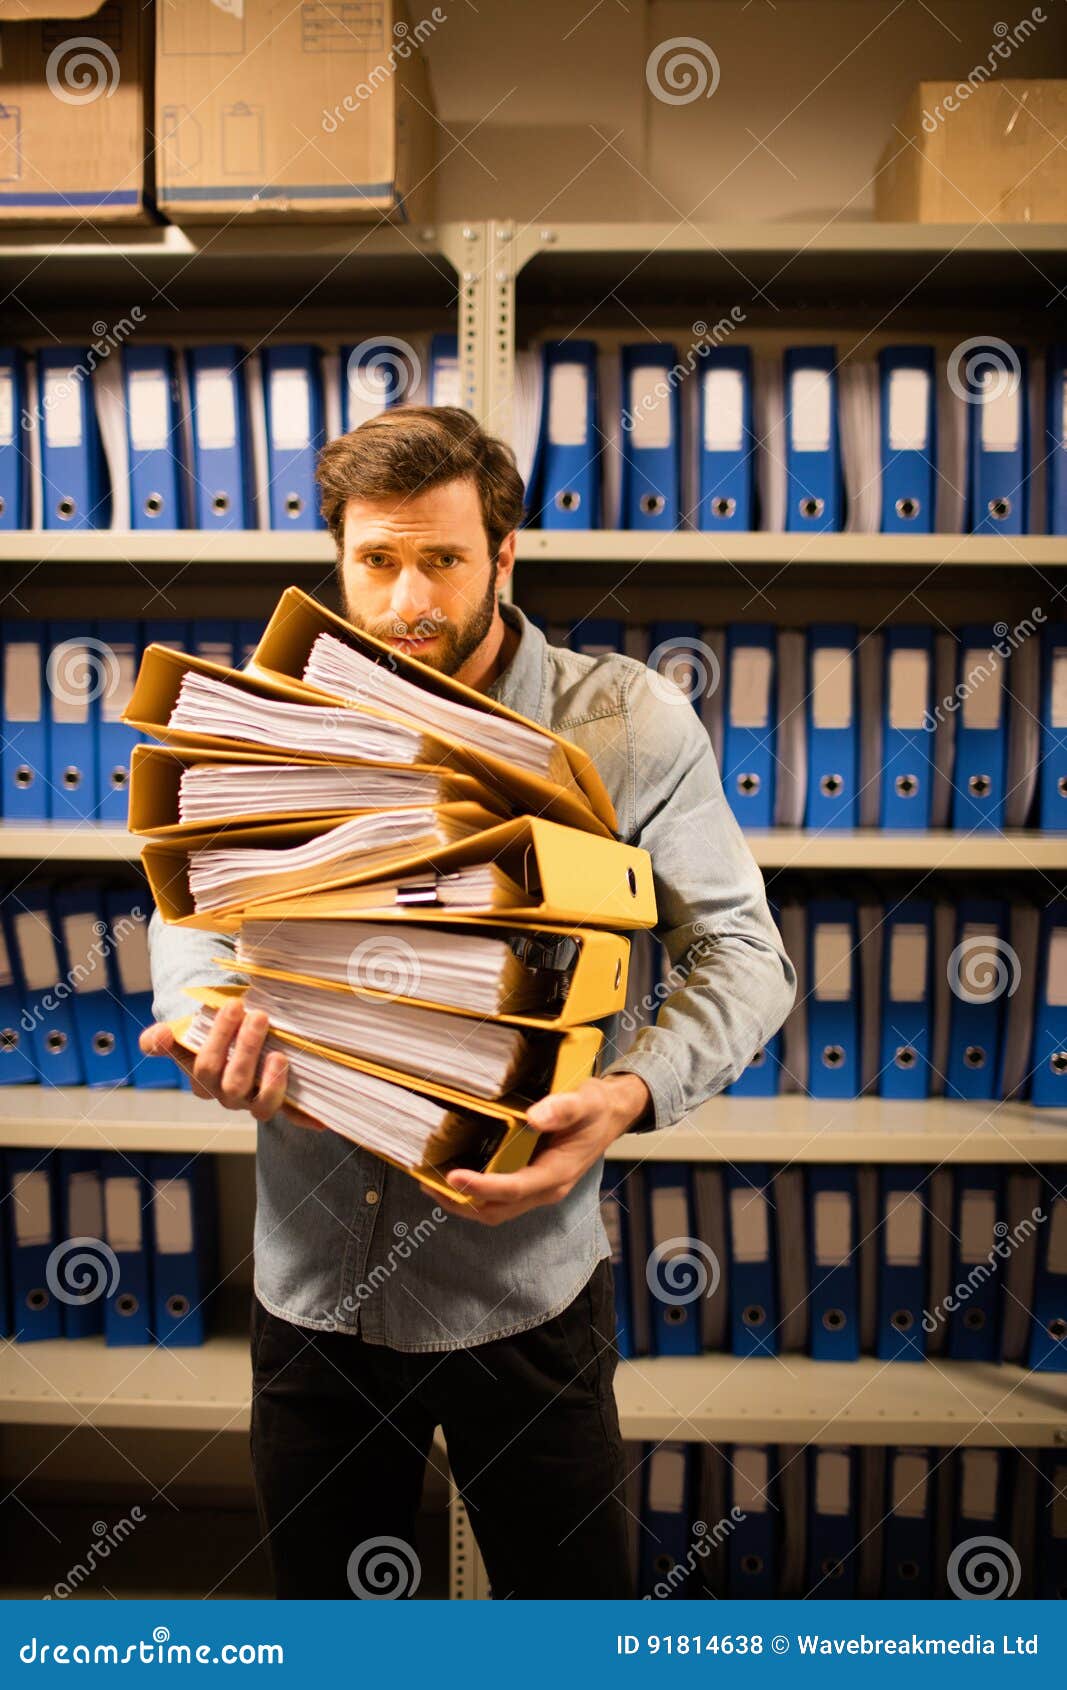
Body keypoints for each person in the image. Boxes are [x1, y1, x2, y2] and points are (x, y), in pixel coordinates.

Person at [141, 405, 796, 1600]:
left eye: (442, 559)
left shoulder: (627, 723)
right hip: (312, 1286)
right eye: (374, 563)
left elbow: (744, 953)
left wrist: (627, 1092)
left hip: (523, 1291)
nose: (406, 604)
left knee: (570, 1626)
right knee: (341, 1637)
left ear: (505, 553)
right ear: (336, 560)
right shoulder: (276, 716)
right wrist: (200, 1014)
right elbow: (194, 903)